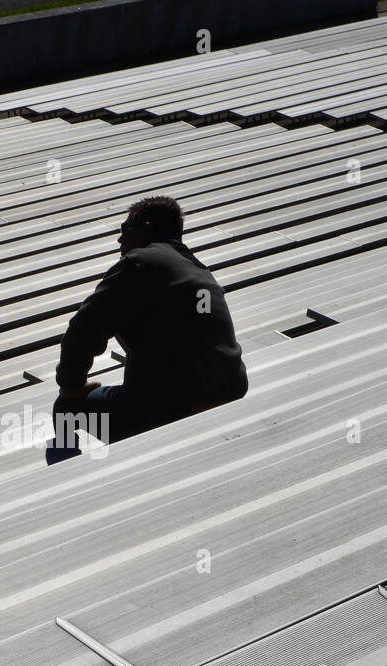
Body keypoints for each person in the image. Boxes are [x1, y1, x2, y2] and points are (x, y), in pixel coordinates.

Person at [46, 196, 248, 465]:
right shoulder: (199, 271)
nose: (119, 240)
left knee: (67, 408)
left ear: (146, 229)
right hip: (230, 399)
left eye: (124, 229)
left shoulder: (141, 263)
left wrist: (71, 386)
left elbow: (82, 331)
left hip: (170, 408)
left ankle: (66, 485)